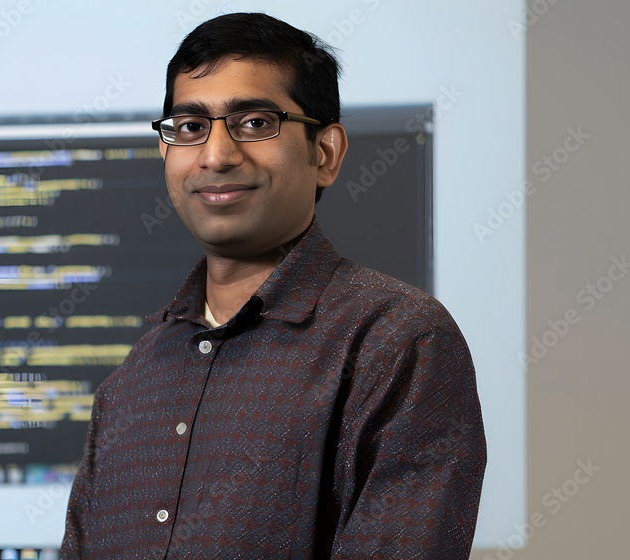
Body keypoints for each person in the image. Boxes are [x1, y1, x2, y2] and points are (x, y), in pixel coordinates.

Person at [61, 12, 486, 559]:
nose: (216, 155)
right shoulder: (133, 378)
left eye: (256, 122)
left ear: (325, 153)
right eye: (190, 127)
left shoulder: (397, 341)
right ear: (166, 152)